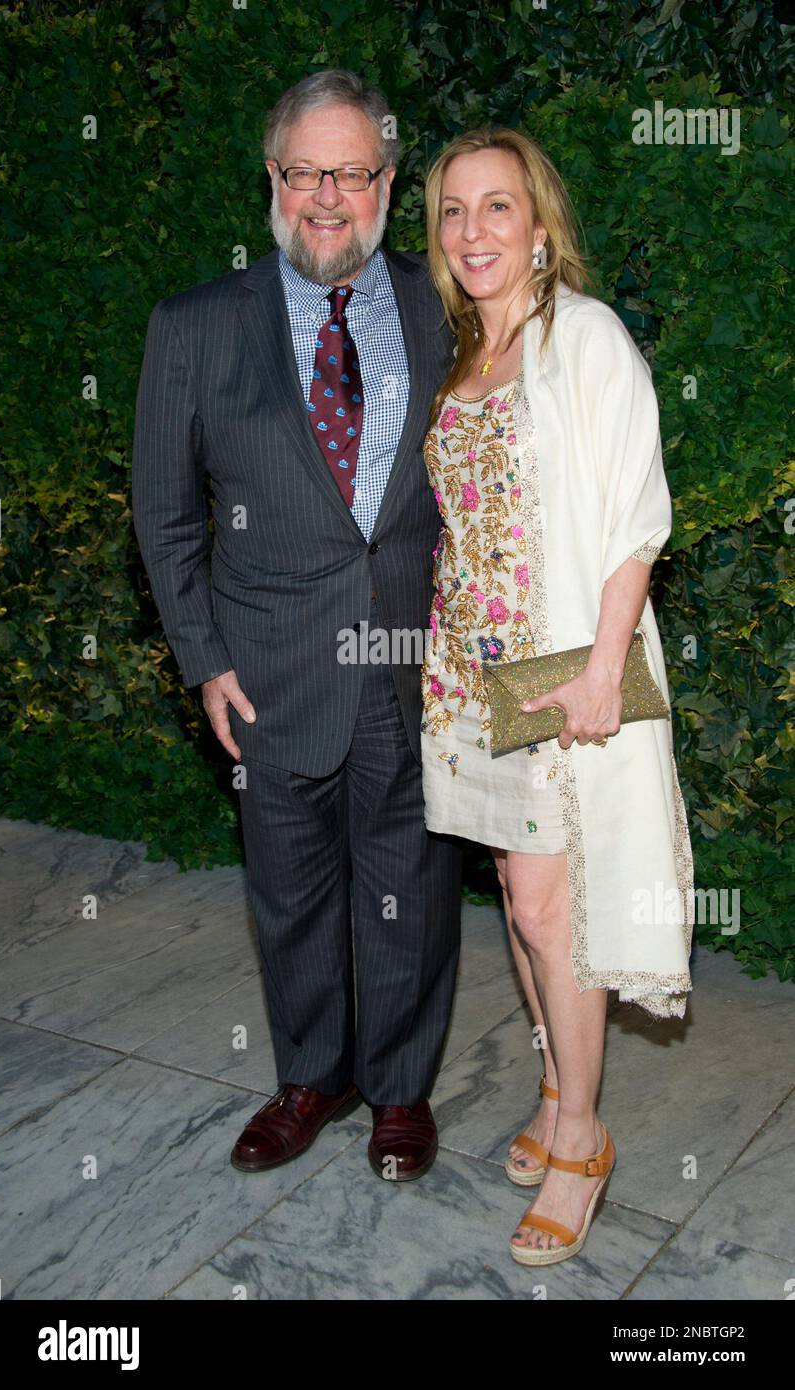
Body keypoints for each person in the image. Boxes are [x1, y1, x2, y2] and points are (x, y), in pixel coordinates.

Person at [131, 69, 463, 1184]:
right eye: (306, 171)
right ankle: (312, 1077)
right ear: (272, 179)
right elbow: (165, 514)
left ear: (386, 180)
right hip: (267, 674)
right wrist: (204, 660)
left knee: (411, 885)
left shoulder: (445, 304)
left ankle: (402, 1090)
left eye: (354, 171)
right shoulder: (193, 327)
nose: (329, 195)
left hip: (414, 662)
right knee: (290, 889)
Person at [418, 127, 695, 1264]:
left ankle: (582, 1135)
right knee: (519, 898)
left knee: (546, 907)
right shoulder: (466, 356)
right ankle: (548, 1086)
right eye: (452, 210)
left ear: (539, 228)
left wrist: (597, 671)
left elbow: (637, 515)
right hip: (467, 675)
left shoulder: (580, 337)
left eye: (498, 208)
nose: (473, 231)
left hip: (555, 675)